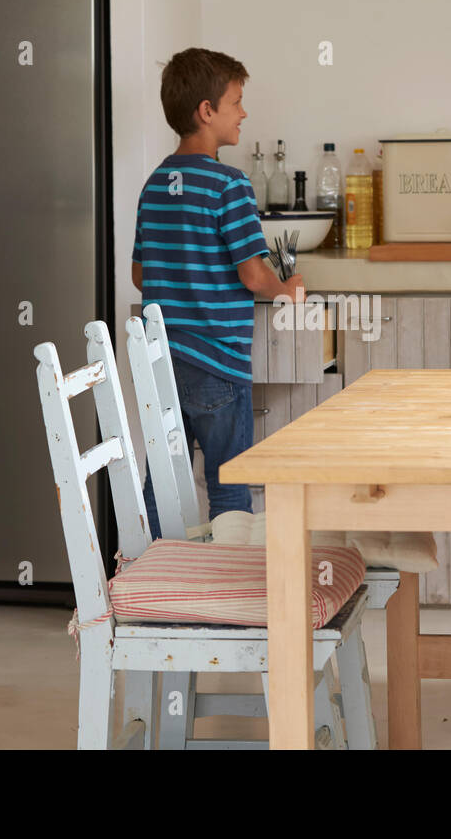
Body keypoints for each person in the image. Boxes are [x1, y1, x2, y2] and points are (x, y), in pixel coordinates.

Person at [131, 47, 303, 537]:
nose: (244, 112)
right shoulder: (230, 185)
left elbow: (142, 276)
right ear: (207, 111)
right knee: (229, 482)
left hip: (163, 360)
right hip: (217, 363)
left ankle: (152, 586)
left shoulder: (155, 184)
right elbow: (253, 275)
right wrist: (287, 288)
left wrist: (186, 275)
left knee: (164, 478)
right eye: (236, 102)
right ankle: (232, 592)